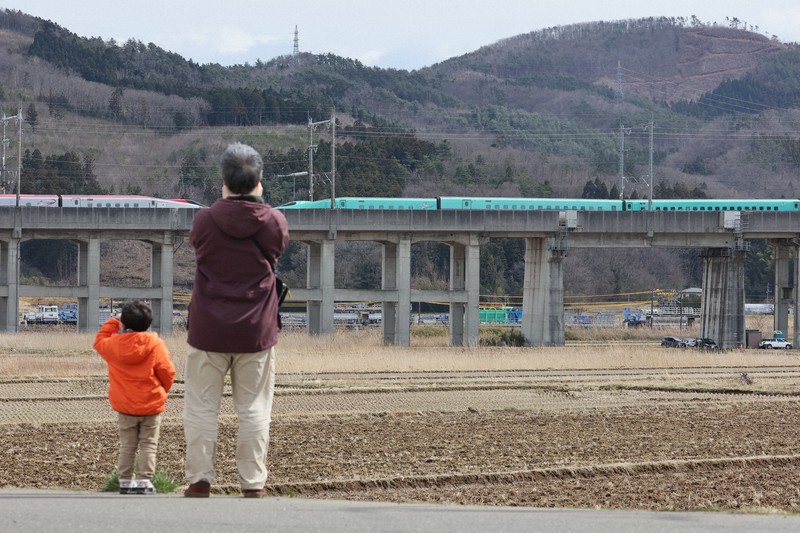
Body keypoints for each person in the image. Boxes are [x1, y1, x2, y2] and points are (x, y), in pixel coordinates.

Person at [183, 142, 289, 498]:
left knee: (201, 407)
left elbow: (199, 245)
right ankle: (253, 484)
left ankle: (199, 480)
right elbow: (278, 246)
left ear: (223, 181)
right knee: (254, 409)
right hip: (255, 330)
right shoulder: (274, 221)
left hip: (208, 329)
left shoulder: (204, 220)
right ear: (259, 181)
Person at [93, 299, 175, 495]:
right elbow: (167, 371)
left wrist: (114, 320)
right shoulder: (155, 343)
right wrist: (163, 389)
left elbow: (99, 340)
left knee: (127, 445)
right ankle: (144, 481)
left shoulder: (112, 345)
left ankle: (124, 480)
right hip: (152, 404)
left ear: (123, 323)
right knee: (149, 444)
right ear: (148, 323)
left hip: (125, 405)